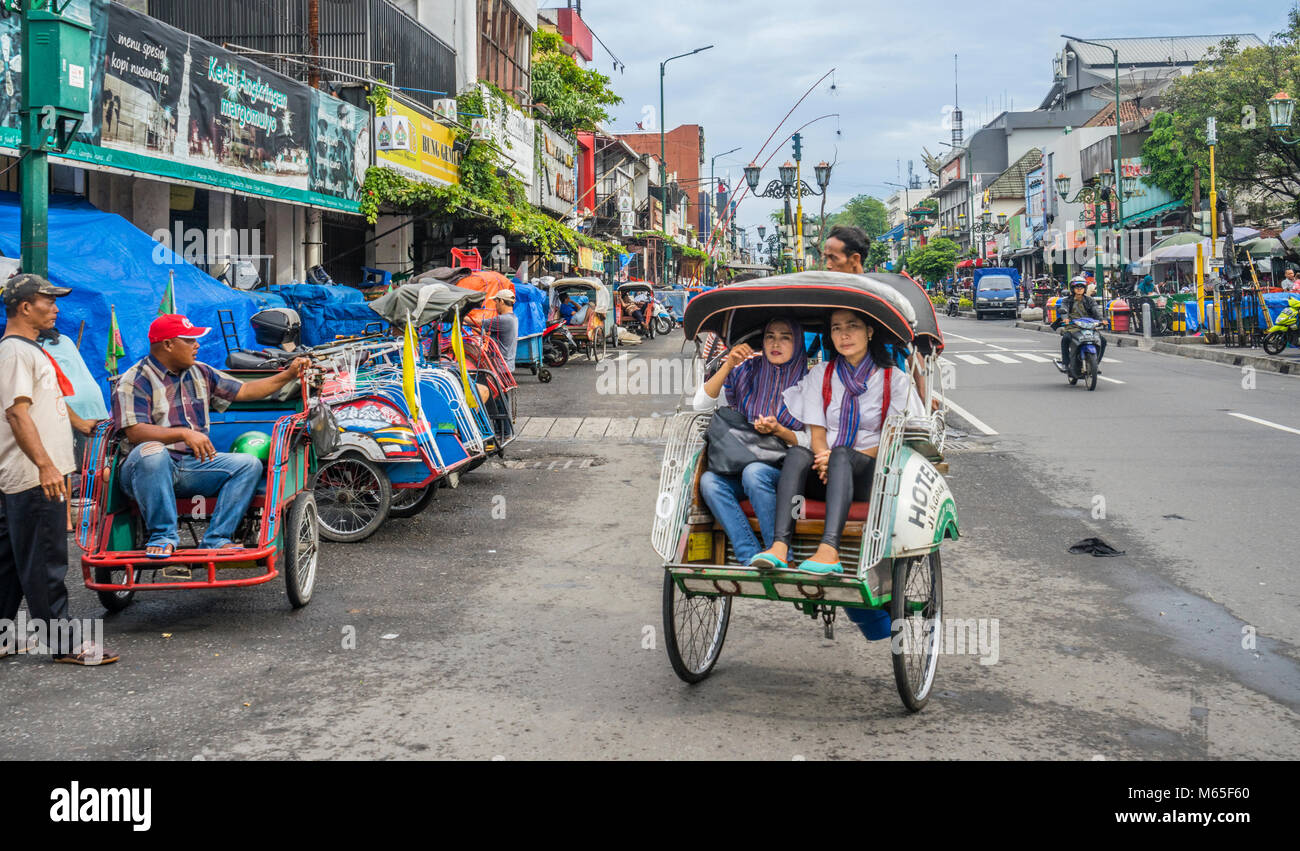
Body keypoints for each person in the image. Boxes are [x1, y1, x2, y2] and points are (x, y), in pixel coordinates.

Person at [112, 314, 308, 557]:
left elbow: (245, 390)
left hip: (191, 466)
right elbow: (135, 432)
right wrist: (184, 434)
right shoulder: (135, 380)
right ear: (168, 345)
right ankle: (162, 534)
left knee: (248, 464)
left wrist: (287, 375)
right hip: (145, 471)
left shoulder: (200, 372)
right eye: (189, 340)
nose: (197, 346)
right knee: (153, 453)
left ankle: (216, 538)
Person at [0, 275, 117, 665]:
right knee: (46, 560)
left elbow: (39, 401)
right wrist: (47, 467)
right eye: (47, 301)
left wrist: (83, 425)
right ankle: (64, 644)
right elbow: (17, 414)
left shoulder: (31, 350)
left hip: (23, 474)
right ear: (24, 307)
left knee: (13, 563)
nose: (56, 308)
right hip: (34, 476)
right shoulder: (16, 352)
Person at [753, 309, 920, 575]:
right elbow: (817, 434)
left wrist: (838, 459)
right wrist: (824, 461)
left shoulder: (894, 380)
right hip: (825, 470)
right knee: (797, 454)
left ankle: (829, 549)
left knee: (842, 454)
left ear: (869, 331)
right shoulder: (822, 374)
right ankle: (779, 547)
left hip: (870, 476)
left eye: (852, 326)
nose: (844, 335)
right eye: (836, 328)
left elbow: (894, 440)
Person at [694, 318, 809, 565]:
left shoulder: (811, 382)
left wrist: (779, 430)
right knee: (710, 481)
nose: (776, 343)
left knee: (754, 473)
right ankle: (749, 557)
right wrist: (728, 366)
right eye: (770, 336)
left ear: (798, 343)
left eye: (785, 337)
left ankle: (779, 554)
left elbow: (814, 441)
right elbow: (699, 405)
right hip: (743, 459)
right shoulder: (747, 370)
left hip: (789, 471)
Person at [1054, 278, 1107, 370]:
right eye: (1077, 287)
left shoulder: (1090, 300)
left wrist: (1102, 320)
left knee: (1103, 340)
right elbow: (1064, 310)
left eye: (1081, 287)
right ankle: (1065, 363)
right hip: (1073, 326)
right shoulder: (1067, 300)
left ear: (1085, 288)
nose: (1079, 289)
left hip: (1089, 326)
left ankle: (1096, 362)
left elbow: (1096, 310)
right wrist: (1065, 319)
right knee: (1065, 339)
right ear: (1072, 288)